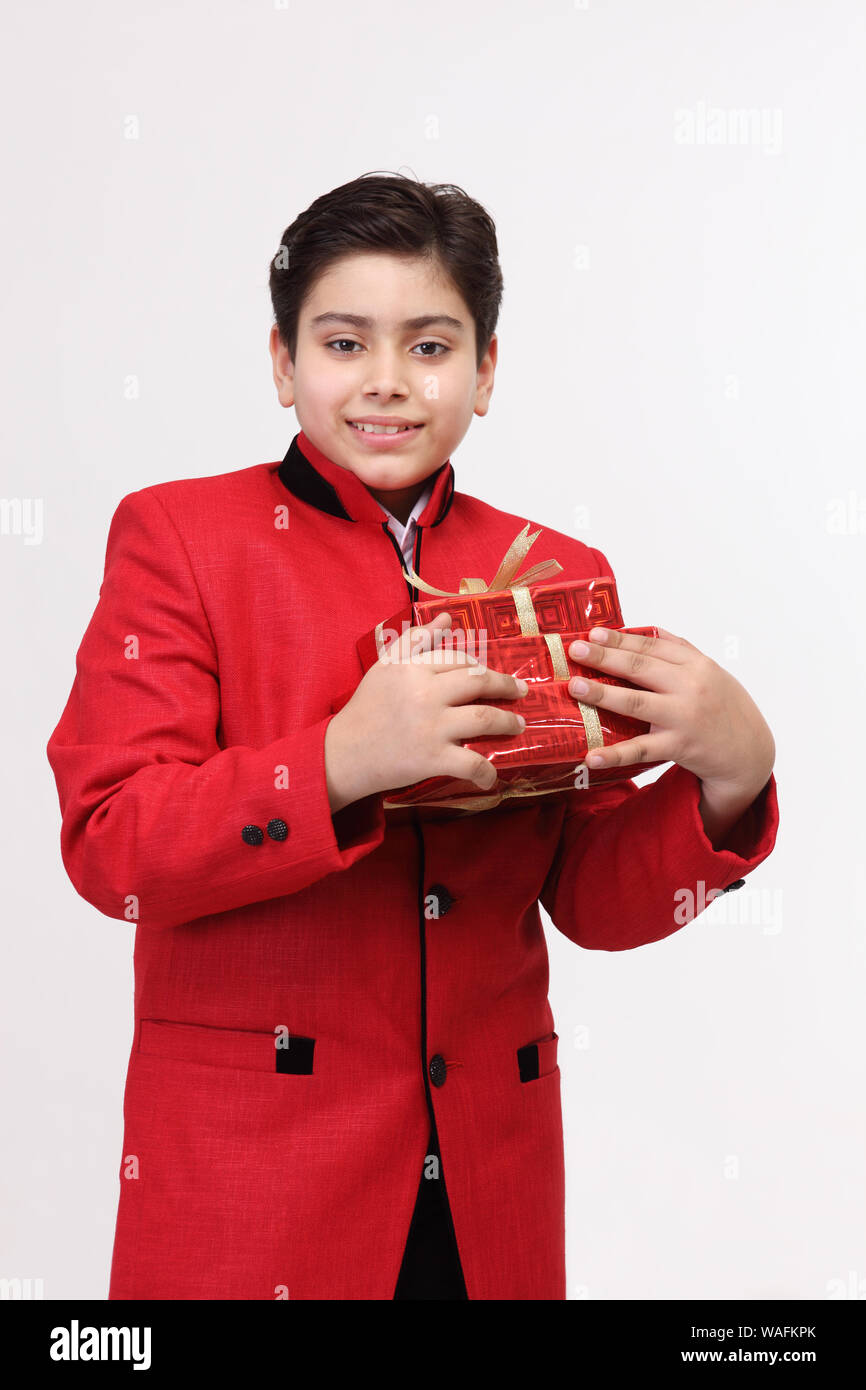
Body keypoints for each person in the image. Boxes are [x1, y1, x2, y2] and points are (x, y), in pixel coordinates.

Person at [46, 172, 779, 1300]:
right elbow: (111, 844)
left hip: (489, 1179)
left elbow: (587, 895)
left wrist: (728, 776)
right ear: (282, 362)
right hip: (254, 1185)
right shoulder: (180, 539)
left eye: (430, 347)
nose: (386, 382)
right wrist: (339, 762)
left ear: (485, 372)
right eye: (343, 343)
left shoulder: (559, 572)